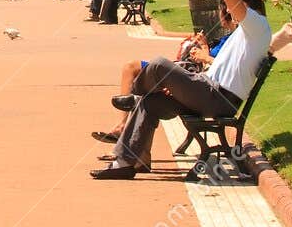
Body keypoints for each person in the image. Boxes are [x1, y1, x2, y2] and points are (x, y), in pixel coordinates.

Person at [91, 0, 272, 179]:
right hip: (209, 92)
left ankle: (135, 95)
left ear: (245, 3)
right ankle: (126, 162)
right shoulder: (247, 31)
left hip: (218, 97)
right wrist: (180, 88)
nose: (229, 12)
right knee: (150, 102)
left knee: (159, 65)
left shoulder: (257, 25)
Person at [92, 16, 236, 144]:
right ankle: (124, 128)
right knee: (131, 67)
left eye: (221, 11)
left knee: (152, 79)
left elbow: (218, 70)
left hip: (196, 81)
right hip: (189, 73)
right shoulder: (228, 37)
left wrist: (204, 51)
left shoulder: (236, 41)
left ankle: (126, 130)